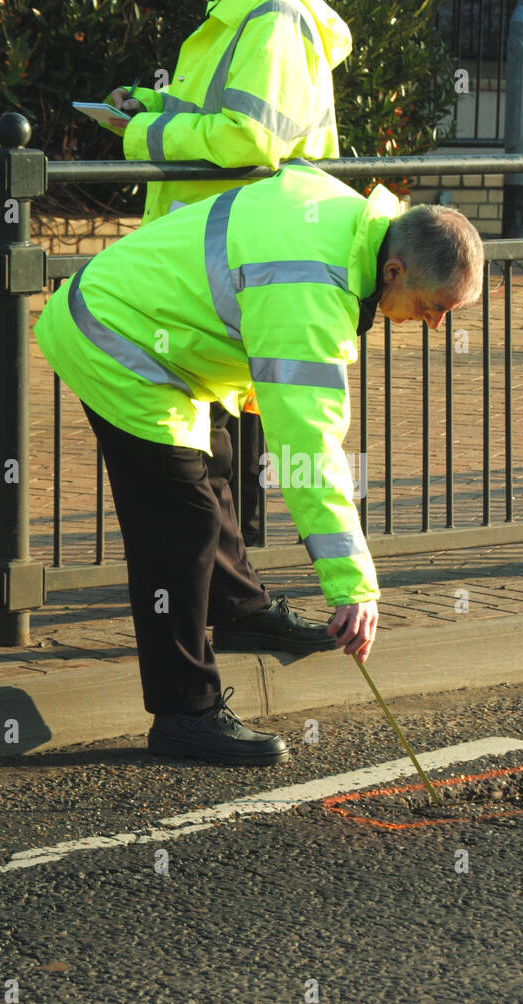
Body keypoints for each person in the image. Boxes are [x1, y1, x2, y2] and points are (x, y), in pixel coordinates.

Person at [33, 163, 484, 767]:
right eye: (433, 307)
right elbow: (307, 449)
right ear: (394, 270)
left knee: (213, 466)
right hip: (115, 341)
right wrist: (352, 585)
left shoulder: (348, 220)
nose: (435, 325)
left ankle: (241, 614)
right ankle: (184, 713)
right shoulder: (313, 289)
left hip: (153, 334)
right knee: (182, 525)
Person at [107, 0, 352, 547]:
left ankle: (232, 591)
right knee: (217, 438)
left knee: (229, 445)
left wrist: (139, 138)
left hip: (242, 264)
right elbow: (224, 123)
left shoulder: (271, 20)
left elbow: (249, 138)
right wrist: (151, 108)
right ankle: (226, 591)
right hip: (222, 263)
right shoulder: (248, 16)